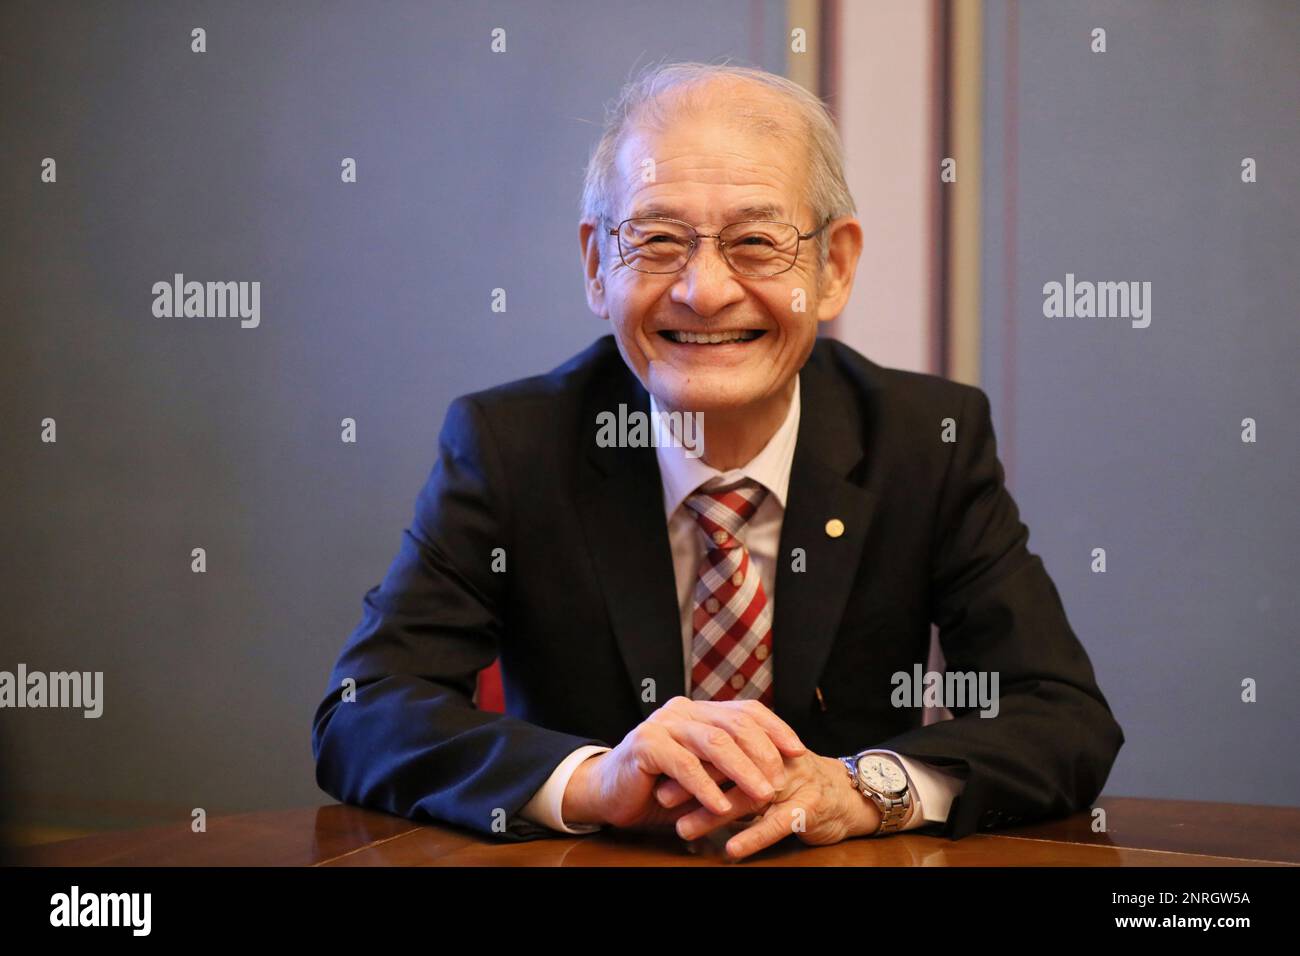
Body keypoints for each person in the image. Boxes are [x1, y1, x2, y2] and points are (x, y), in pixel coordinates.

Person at [311, 61, 1124, 861]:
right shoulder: (512, 443)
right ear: (598, 264)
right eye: (657, 240)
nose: (703, 291)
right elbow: (364, 709)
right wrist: (598, 779)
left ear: (833, 266)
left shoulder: (926, 441)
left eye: (757, 242)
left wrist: (863, 789)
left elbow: (1062, 716)